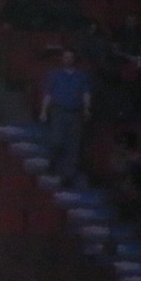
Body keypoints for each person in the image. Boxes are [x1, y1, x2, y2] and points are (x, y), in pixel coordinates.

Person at [40, 48, 92, 185]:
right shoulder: (54, 75)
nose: (68, 59)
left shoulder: (82, 75)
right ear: (62, 59)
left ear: (74, 59)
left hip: (75, 113)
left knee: (73, 146)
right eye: (66, 57)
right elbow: (48, 94)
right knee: (56, 140)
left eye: (70, 57)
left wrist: (87, 108)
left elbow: (86, 93)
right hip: (58, 111)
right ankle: (53, 163)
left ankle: (67, 176)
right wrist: (44, 111)